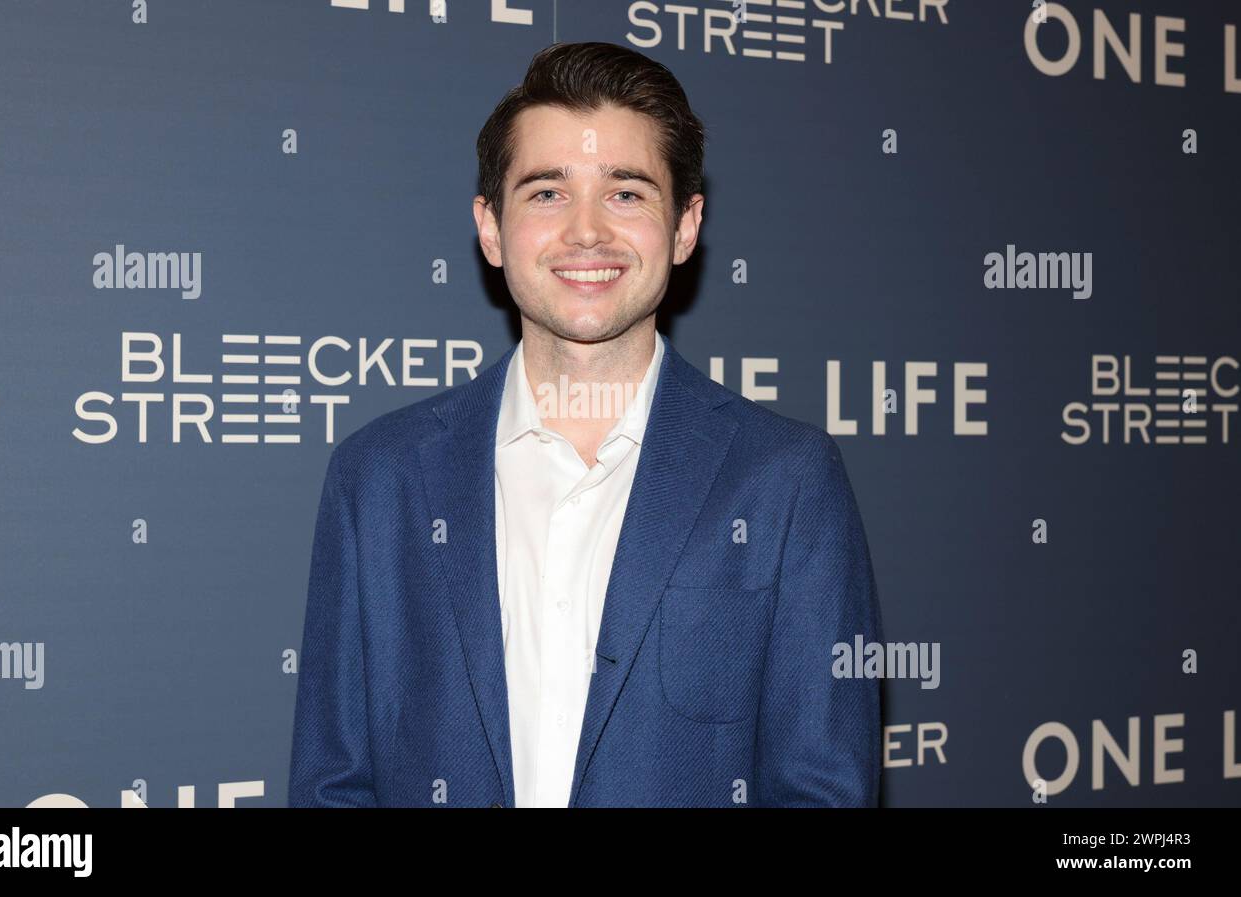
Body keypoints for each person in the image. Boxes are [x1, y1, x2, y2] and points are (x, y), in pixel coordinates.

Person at [289, 41, 882, 808]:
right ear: (492, 229)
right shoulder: (378, 478)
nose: (587, 232)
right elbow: (334, 784)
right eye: (546, 193)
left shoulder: (786, 481)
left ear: (685, 226)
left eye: (627, 193)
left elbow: (820, 791)